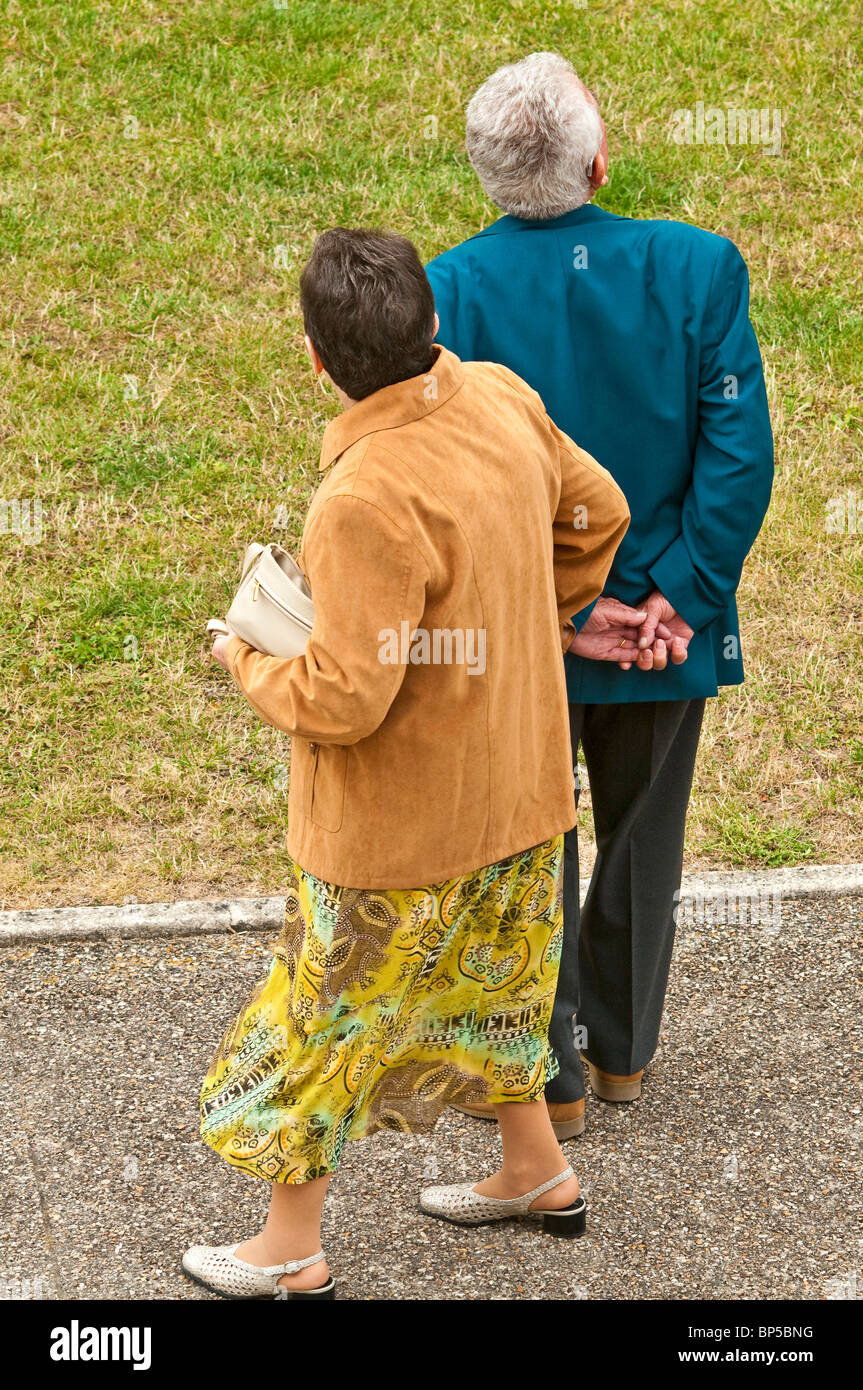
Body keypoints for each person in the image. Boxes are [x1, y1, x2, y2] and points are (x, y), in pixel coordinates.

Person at [182, 227, 630, 1300]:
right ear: (433, 322)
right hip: (521, 796)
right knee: (501, 992)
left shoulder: (360, 500)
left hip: (395, 839)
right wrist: (531, 610)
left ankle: (288, 1250)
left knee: (320, 1022)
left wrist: (244, 657)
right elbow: (596, 511)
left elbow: (343, 697)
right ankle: (537, 1170)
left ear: (315, 356)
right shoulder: (500, 396)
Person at [427, 52, 773, 1131]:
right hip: (667, 634)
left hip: (525, 636)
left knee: (522, 845)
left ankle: (544, 1079)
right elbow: (736, 453)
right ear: (597, 157)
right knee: (643, 840)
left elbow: (451, 487)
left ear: (487, 174)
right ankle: (620, 1057)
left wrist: (561, 612)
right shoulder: (698, 265)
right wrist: (677, 591)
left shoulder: (444, 292)